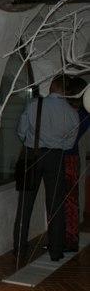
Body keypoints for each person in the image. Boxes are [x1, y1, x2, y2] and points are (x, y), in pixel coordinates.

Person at [13, 75, 79, 261]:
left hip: (32, 155)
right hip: (55, 157)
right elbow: (70, 143)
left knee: (25, 204)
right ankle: (56, 250)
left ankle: (19, 248)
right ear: (66, 91)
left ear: (53, 86)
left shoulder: (34, 104)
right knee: (56, 205)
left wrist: (30, 141)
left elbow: (21, 130)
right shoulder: (71, 112)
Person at [64, 77, 90, 252]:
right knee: (69, 198)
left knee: (69, 199)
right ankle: (67, 237)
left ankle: (70, 238)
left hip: (68, 157)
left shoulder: (79, 114)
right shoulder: (82, 114)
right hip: (71, 157)